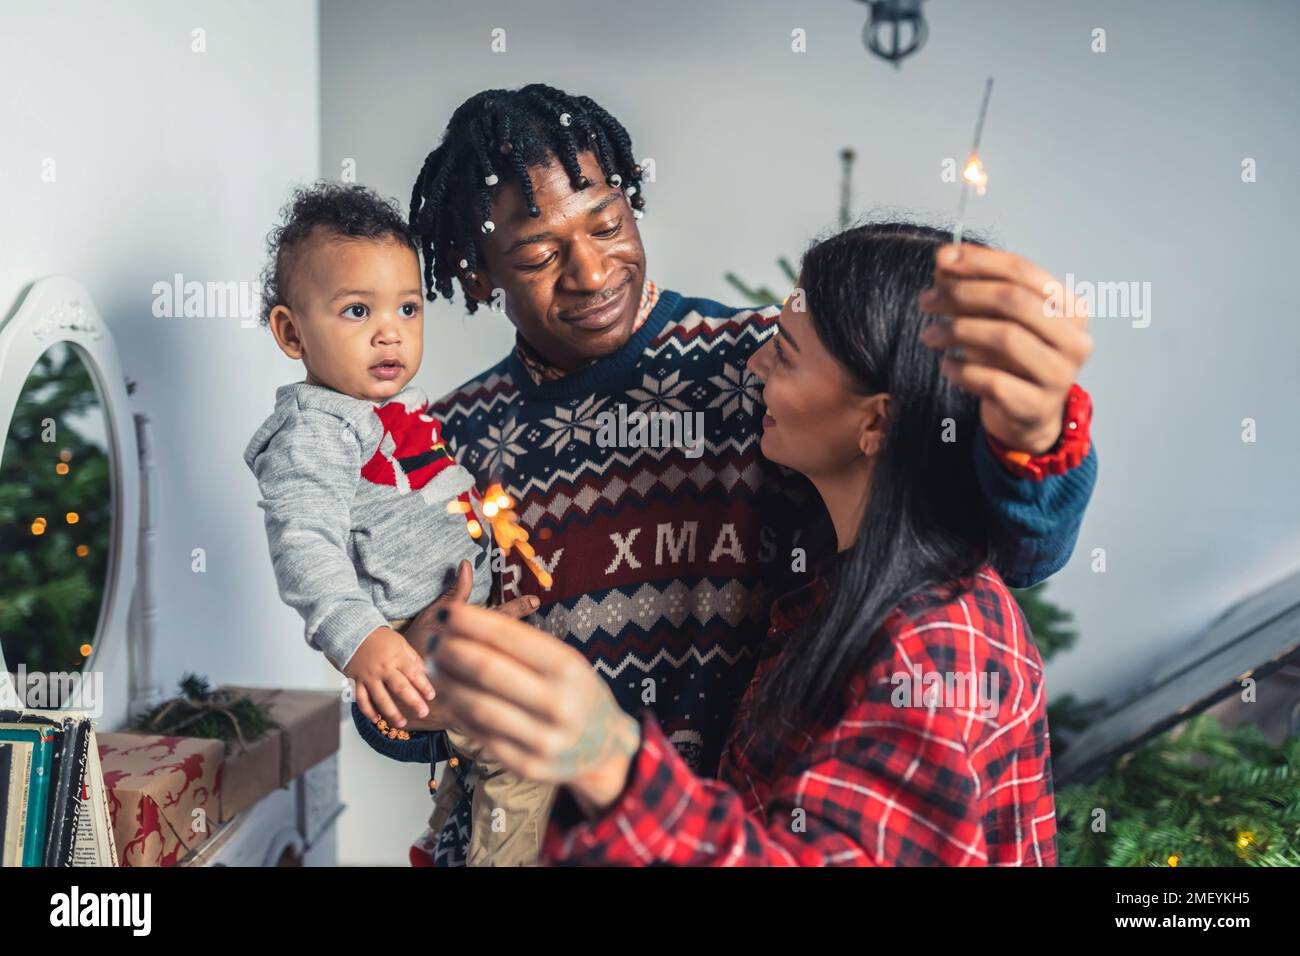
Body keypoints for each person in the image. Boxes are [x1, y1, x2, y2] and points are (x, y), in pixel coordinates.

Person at [350, 83, 1096, 867]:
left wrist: (1036, 434)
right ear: (476, 276)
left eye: (608, 224)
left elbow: (995, 547)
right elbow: (388, 703)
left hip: (729, 840)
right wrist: (427, 670)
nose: (593, 270)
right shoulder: (439, 447)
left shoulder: (767, 369)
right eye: (537, 256)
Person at [244, 183, 553, 866]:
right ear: (291, 332)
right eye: (357, 310)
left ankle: (448, 829)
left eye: (407, 308)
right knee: (525, 747)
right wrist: (364, 642)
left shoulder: (394, 409)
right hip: (418, 650)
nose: (391, 331)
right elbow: (304, 544)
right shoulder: (315, 433)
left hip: (466, 632)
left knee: (506, 753)